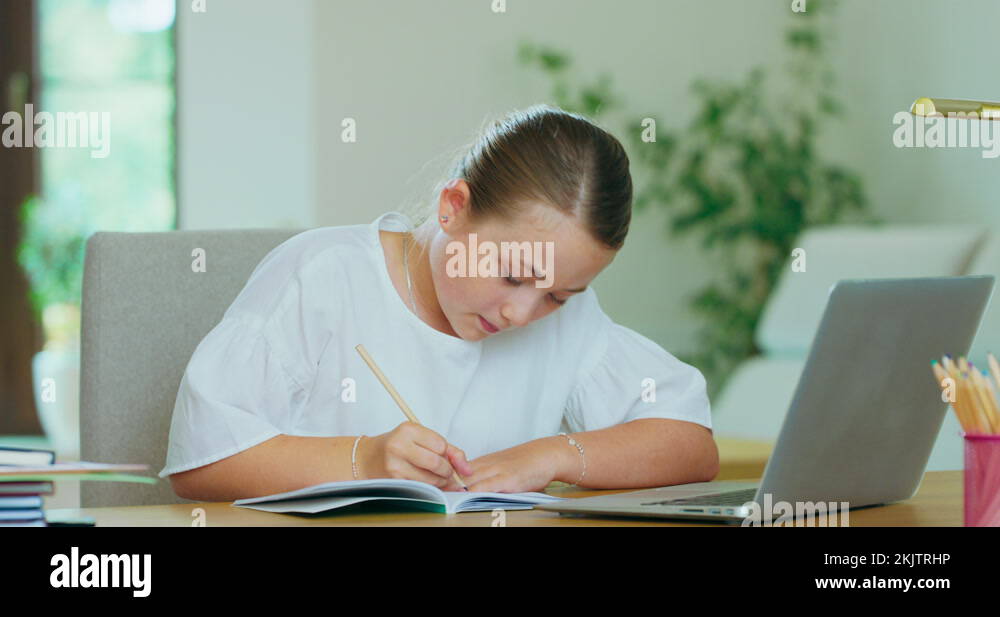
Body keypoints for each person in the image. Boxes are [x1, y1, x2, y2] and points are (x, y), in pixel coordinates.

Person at [162, 104, 718, 502]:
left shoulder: (568, 324)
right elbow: (203, 459)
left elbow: (690, 444)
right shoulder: (324, 277)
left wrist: (554, 455)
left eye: (556, 294)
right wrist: (365, 459)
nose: (520, 315)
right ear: (452, 206)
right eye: (510, 276)